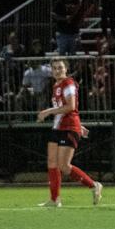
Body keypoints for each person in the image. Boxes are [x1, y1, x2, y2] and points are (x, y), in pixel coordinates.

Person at [37, 58, 102, 207]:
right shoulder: (56, 85)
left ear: (66, 68)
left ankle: (93, 185)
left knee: (64, 165)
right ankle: (55, 200)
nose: (57, 70)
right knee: (52, 162)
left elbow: (71, 106)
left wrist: (48, 111)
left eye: (60, 67)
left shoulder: (69, 84)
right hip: (57, 127)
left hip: (68, 128)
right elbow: (64, 109)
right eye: (54, 68)